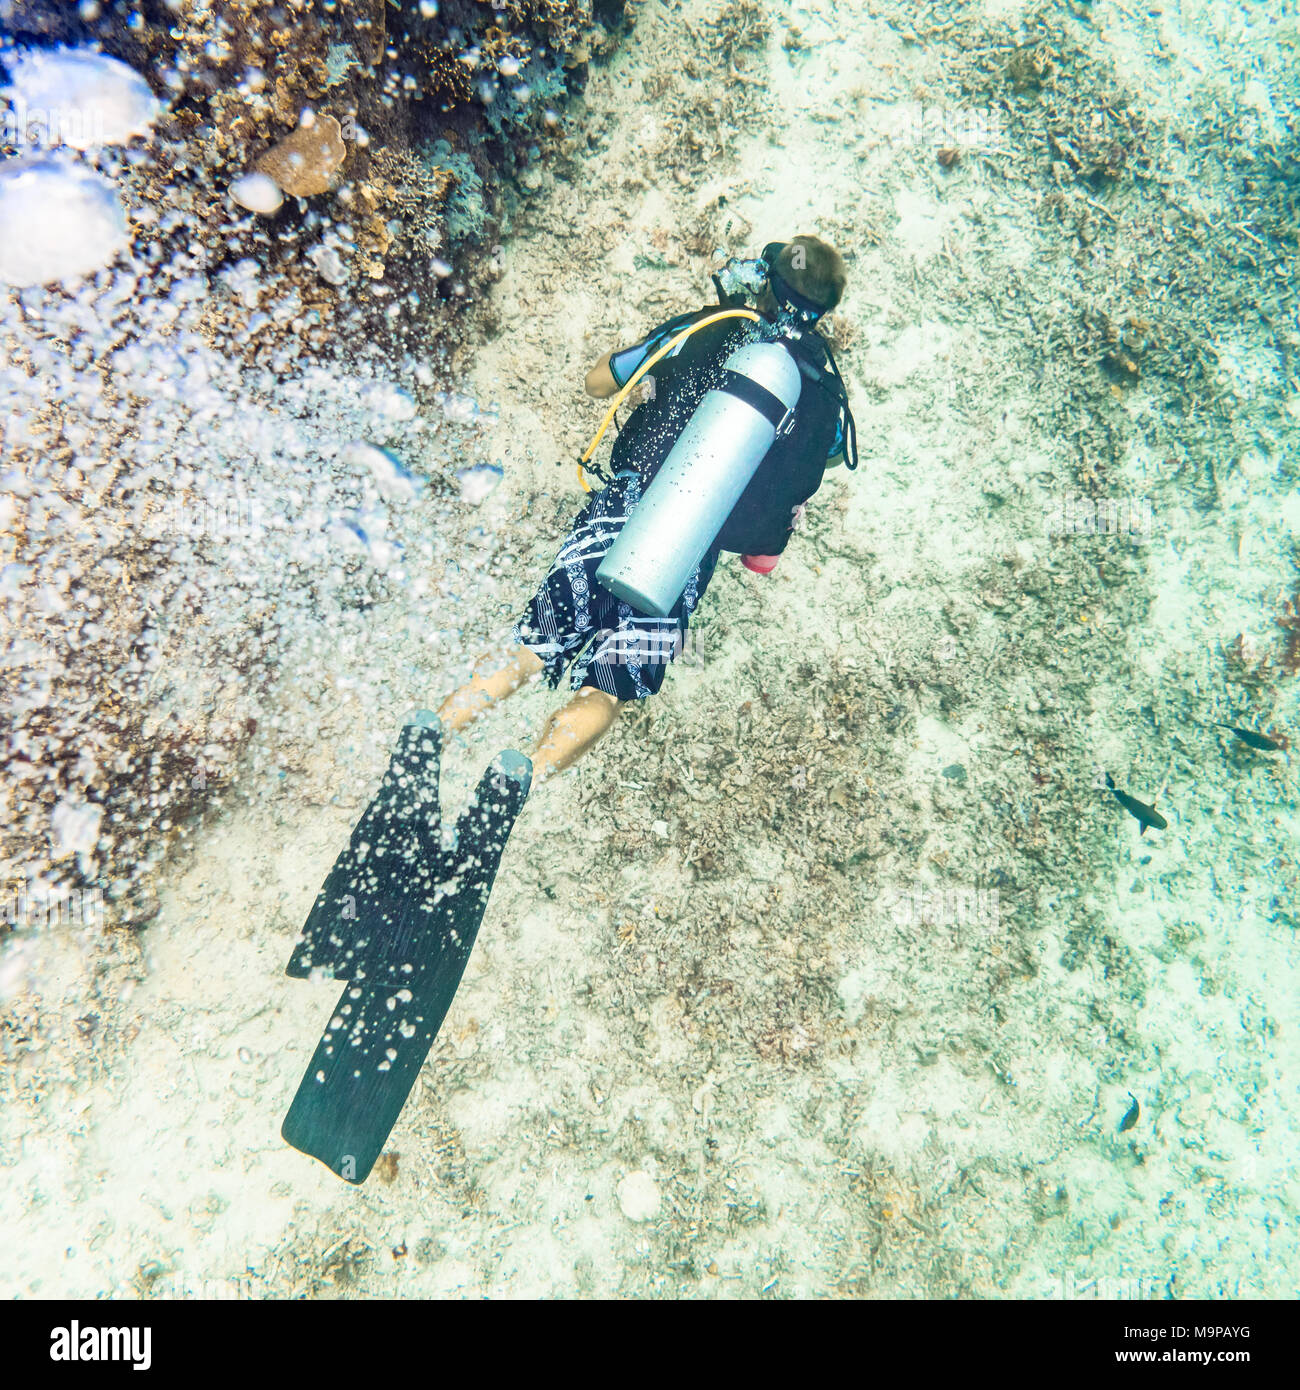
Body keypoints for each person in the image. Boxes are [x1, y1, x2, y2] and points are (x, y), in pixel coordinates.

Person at [437, 234, 854, 781]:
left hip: (623, 505)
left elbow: (597, 382)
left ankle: (431, 735)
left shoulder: (716, 326)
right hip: (685, 557)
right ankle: (526, 779)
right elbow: (763, 554)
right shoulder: (825, 401)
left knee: (530, 651)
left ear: (769, 282)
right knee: (604, 691)